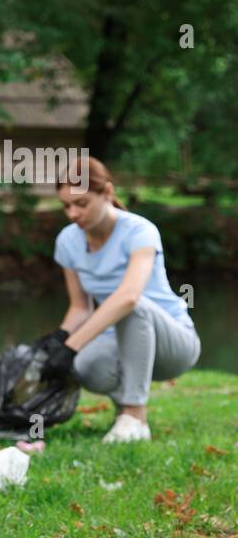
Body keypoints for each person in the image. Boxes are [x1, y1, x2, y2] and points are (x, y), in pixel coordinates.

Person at [39, 156, 199, 443]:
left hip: (173, 344)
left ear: (107, 193)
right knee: (84, 365)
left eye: (82, 203)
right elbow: (80, 307)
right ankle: (129, 417)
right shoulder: (67, 241)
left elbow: (128, 297)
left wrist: (72, 345)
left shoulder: (140, 231)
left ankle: (134, 413)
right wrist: (61, 339)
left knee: (131, 306)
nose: (73, 213)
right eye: (66, 206)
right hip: (122, 341)